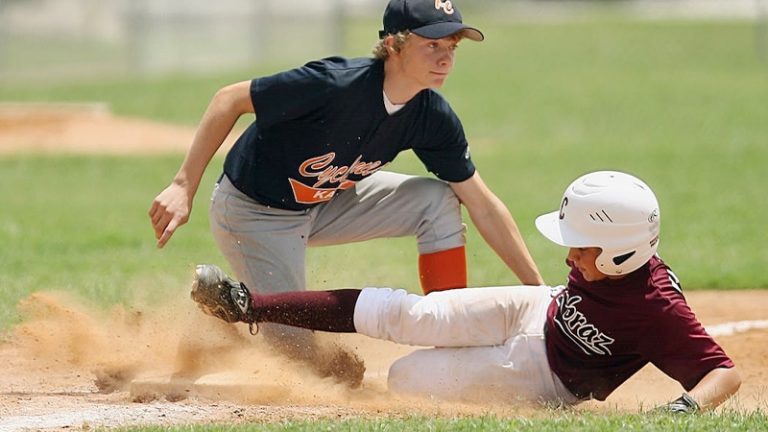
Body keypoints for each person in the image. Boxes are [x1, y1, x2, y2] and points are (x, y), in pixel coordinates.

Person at [148, 0, 543, 385]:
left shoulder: (431, 116)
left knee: (436, 200)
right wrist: (184, 185)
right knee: (303, 362)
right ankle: (220, 322)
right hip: (255, 213)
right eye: (432, 44)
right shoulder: (334, 84)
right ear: (394, 45)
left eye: (451, 47)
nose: (446, 58)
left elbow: (483, 205)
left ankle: (451, 332)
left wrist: (539, 293)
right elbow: (228, 99)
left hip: (327, 200)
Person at [190, 170, 741, 411]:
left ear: (623, 251)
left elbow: (724, 372)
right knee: (410, 314)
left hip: (550, 377)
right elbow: (571, 276)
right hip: (538, 308)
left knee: (408, 377)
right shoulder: (605, 262)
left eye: (582, 247)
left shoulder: (658, 310)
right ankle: (246, 304)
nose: (570, 255)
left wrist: (682, 410)